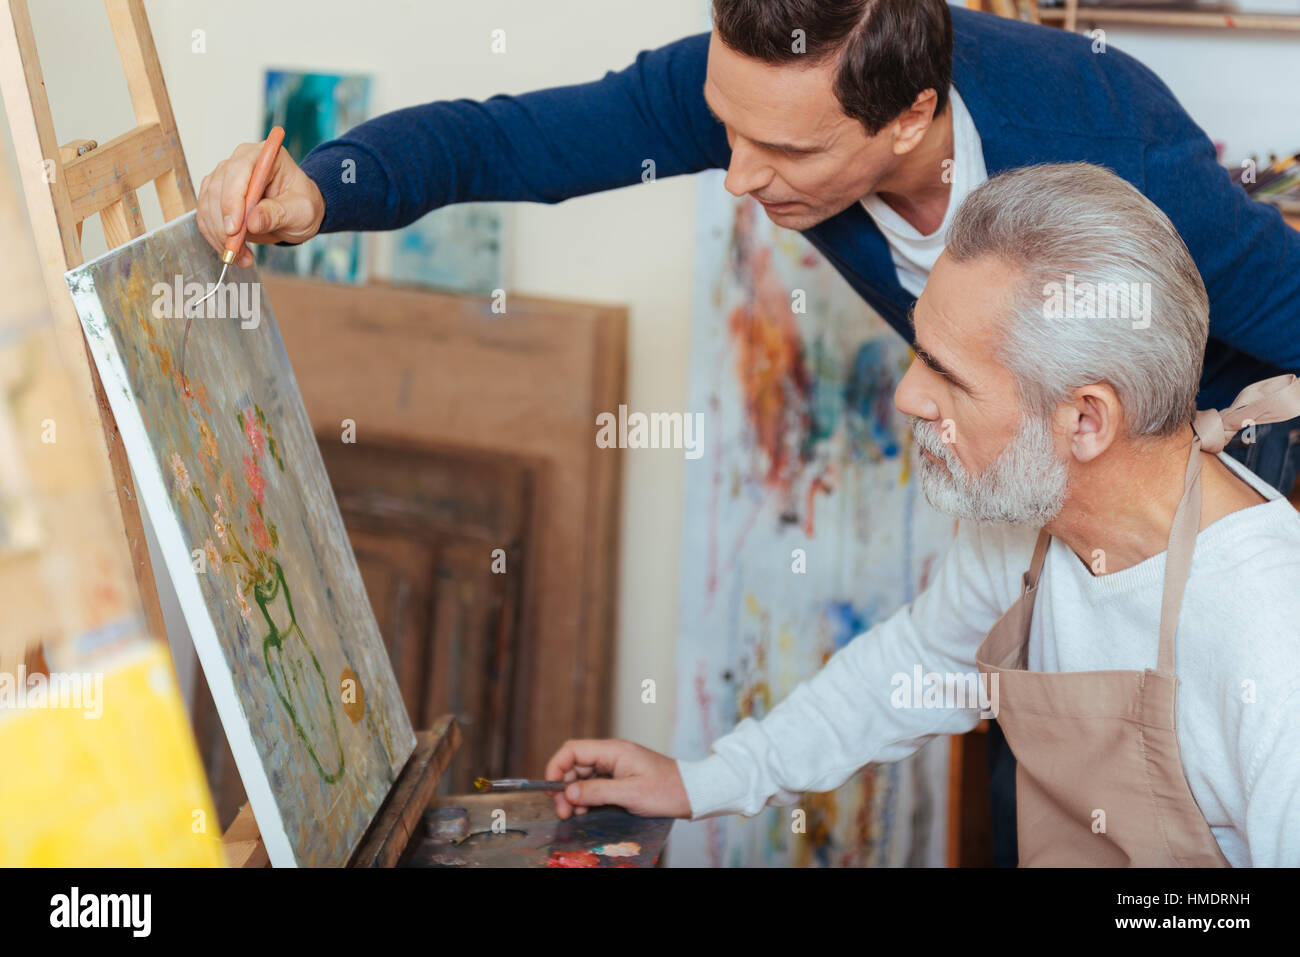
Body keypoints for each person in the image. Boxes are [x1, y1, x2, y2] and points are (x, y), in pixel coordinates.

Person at [195, 0, 1300, 862]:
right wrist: (324, 189)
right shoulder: (771, 83)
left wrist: (1251, 445)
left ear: (910, 114)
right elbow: (511, 141)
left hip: (1208, 473)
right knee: (1042, 766)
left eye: (789, 156)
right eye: (727, 130)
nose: (735, 174)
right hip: (1052, 490)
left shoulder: (1109, 138)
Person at [545, 162, 1300, 866]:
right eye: (920, 352)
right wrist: (702, 781)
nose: (908, 395)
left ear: (1086, 421)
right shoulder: (1028, 522)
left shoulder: (1269, 636)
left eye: (947, 373)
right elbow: (921, 664)